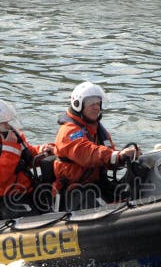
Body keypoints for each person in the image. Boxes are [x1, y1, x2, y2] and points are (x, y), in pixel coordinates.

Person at [53, 81, 140, 210]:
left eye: (98, 103)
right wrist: (116, 155)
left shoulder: (97, 129)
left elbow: (109, 158)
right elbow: (88, 154)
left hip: (96, 185)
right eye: (91, 103)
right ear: (78, 104)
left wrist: (124, 157)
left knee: (131, 189)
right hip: (74, 192)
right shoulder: (69, 131)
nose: (96, 107)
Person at [0, 98, 54, 220]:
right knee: (34, 219)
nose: (8, 126)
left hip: (26, 190)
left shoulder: (7, 135)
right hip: (4, 201)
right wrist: (9, 149)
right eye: (4, 124)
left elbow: (28, 155)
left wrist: (43, 151)